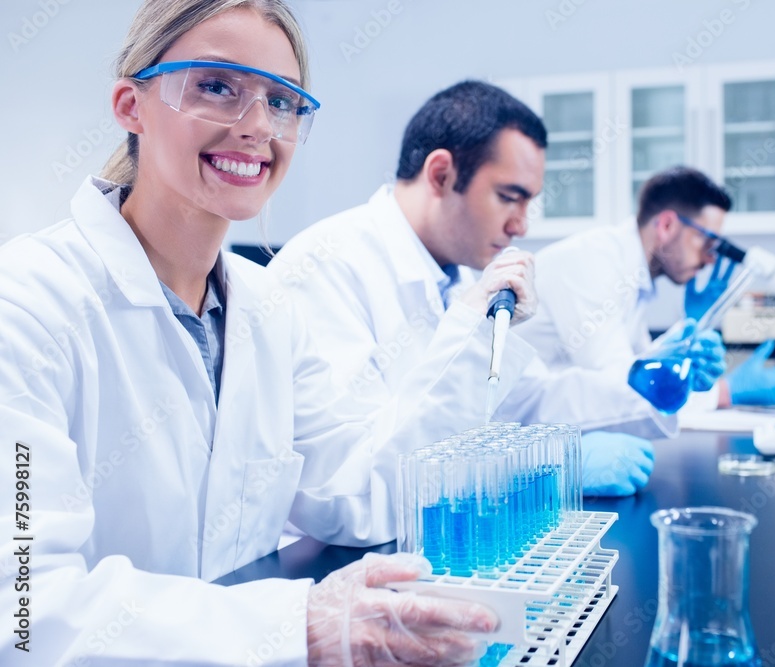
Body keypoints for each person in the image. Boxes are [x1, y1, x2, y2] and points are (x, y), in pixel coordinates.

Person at [0, 2, 497, 664]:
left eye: (282, 101)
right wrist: (300, 625)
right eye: (216, 86)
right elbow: (27, 611)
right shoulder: (28, 302)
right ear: (131, 105)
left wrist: (474, 332)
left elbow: (358, 494)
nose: (258, 126)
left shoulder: (269, 309)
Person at [271, 82, 726, 498]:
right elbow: (348, 485)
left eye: (529, 201)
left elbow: (527, 400)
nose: (522, 224)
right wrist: (547, 470)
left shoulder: (463, 275)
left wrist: (644, 381)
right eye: (510, 197)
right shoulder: (329, 265)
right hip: (336, 564)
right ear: (441, 174)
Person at [516, 166, 775, 410]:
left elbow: (643, 364)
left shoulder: (634, 280)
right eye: (707, 242)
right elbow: (626, 384)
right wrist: (726, 392)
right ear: (667, 226)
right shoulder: (593, 261)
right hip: (519, 440)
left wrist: (694, 324)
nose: (710, 259)